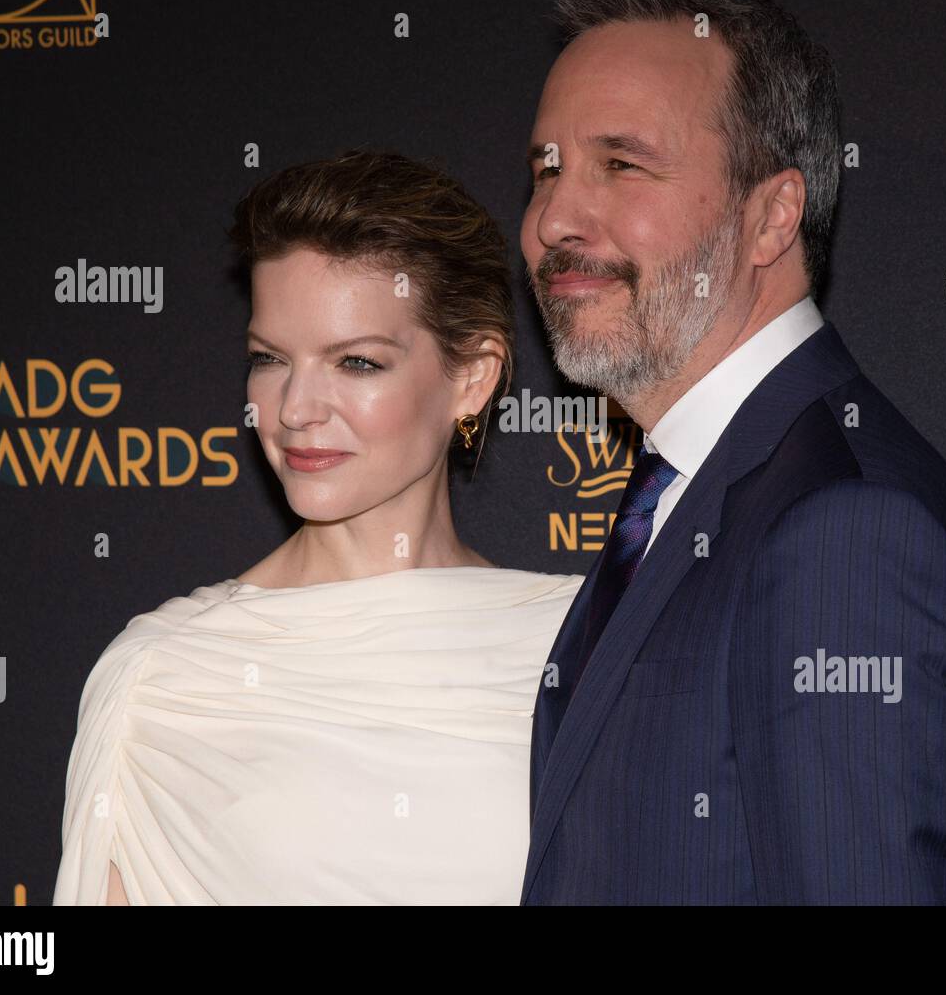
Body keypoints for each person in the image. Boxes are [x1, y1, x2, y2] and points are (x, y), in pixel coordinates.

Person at [519, 0, 946, 904]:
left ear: (773, 216)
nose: (553, 220)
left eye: (621, 164)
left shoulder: (846, 532)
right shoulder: (693, 489)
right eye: (546, 169)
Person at [52, 151, 583, 904]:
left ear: (473, 377)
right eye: (269, 359)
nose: (296, 407)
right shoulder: (166, 681)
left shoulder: (580, 643)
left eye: (357, 363)